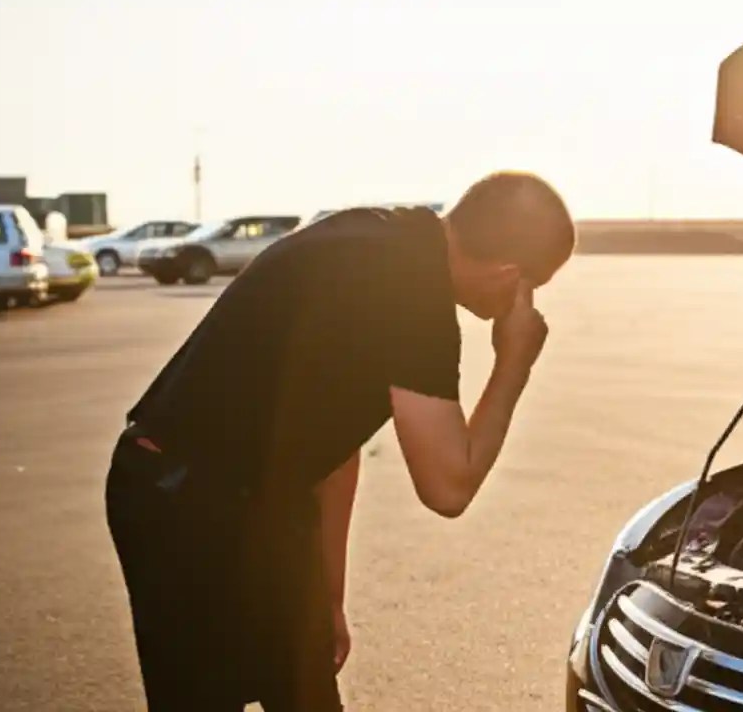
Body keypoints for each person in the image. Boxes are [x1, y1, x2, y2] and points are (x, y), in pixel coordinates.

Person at [104, 171, 576, 711]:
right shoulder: (413, 294)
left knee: (306, 693)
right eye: (532, 286)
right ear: (507, 273)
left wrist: (328, 597)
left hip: (254, 499)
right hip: (178, 497)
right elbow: (448, 488)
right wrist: (514, 362)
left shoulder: (384, 235)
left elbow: (332, 442)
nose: (530, 301)